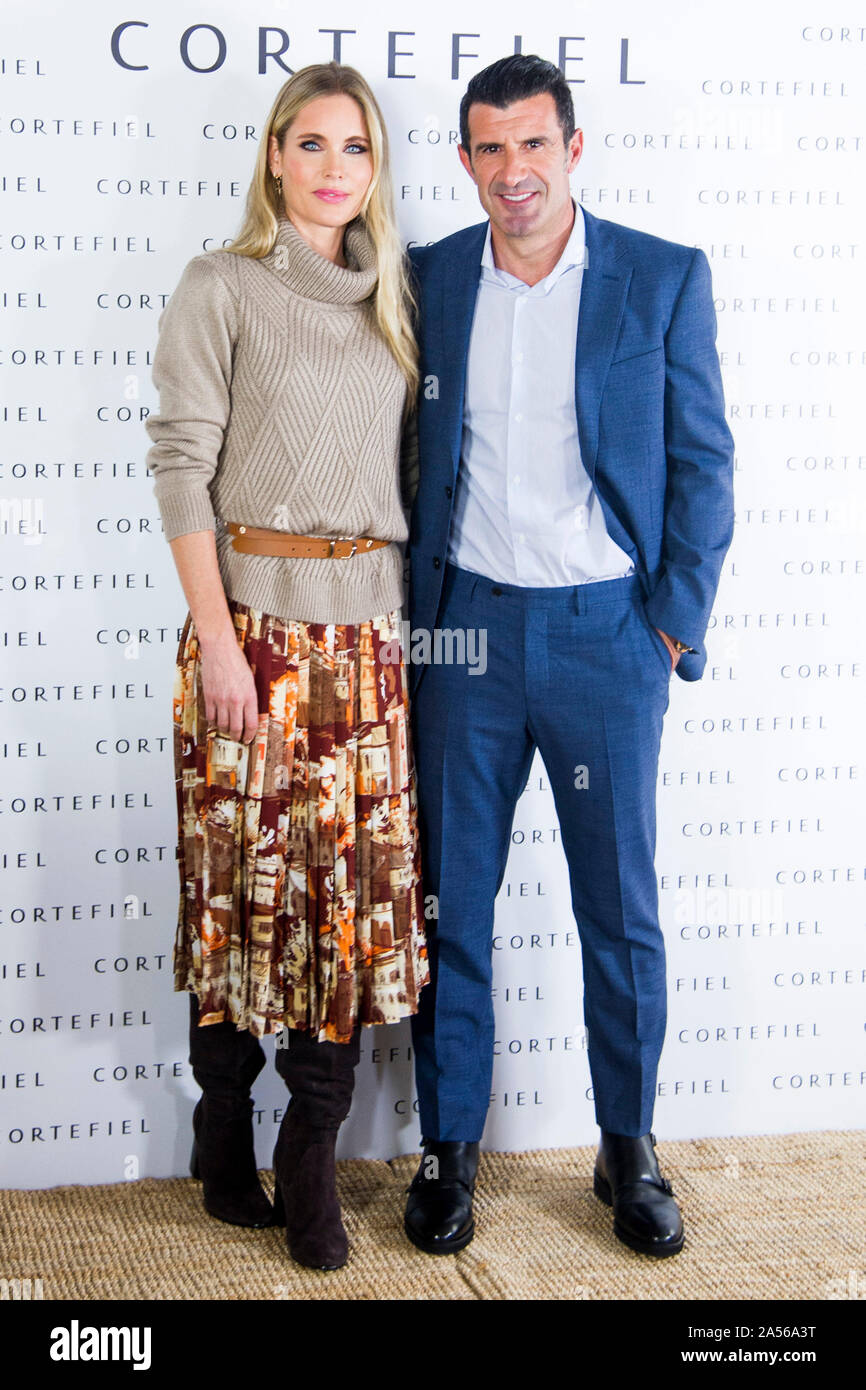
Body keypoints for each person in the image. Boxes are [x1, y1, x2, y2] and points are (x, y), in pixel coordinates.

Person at [402, 54, 735, 1259]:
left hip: (607, 636)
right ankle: (448, 1148)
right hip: (463, 637)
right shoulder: (432, 278)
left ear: (573, 148)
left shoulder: (659, 276)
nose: (513, 171)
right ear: (465, 161)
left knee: (618, 910)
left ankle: (626, 1145)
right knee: (451, 906)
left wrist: (669, 626)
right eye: (489, 149)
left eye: (533, 144)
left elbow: (702, 461)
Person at [144, 61, 428, 1271]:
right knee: (238, 886)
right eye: (309, 142)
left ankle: (310, 1149)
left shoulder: (393, 298)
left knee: (345, 904)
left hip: (365, 642)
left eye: (353, 147)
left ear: (374, 168)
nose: (331, 166)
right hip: (250, 630)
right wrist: (217, 638)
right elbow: (180, 463)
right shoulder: (222, 284)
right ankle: (222, 1133)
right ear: (273, 155)